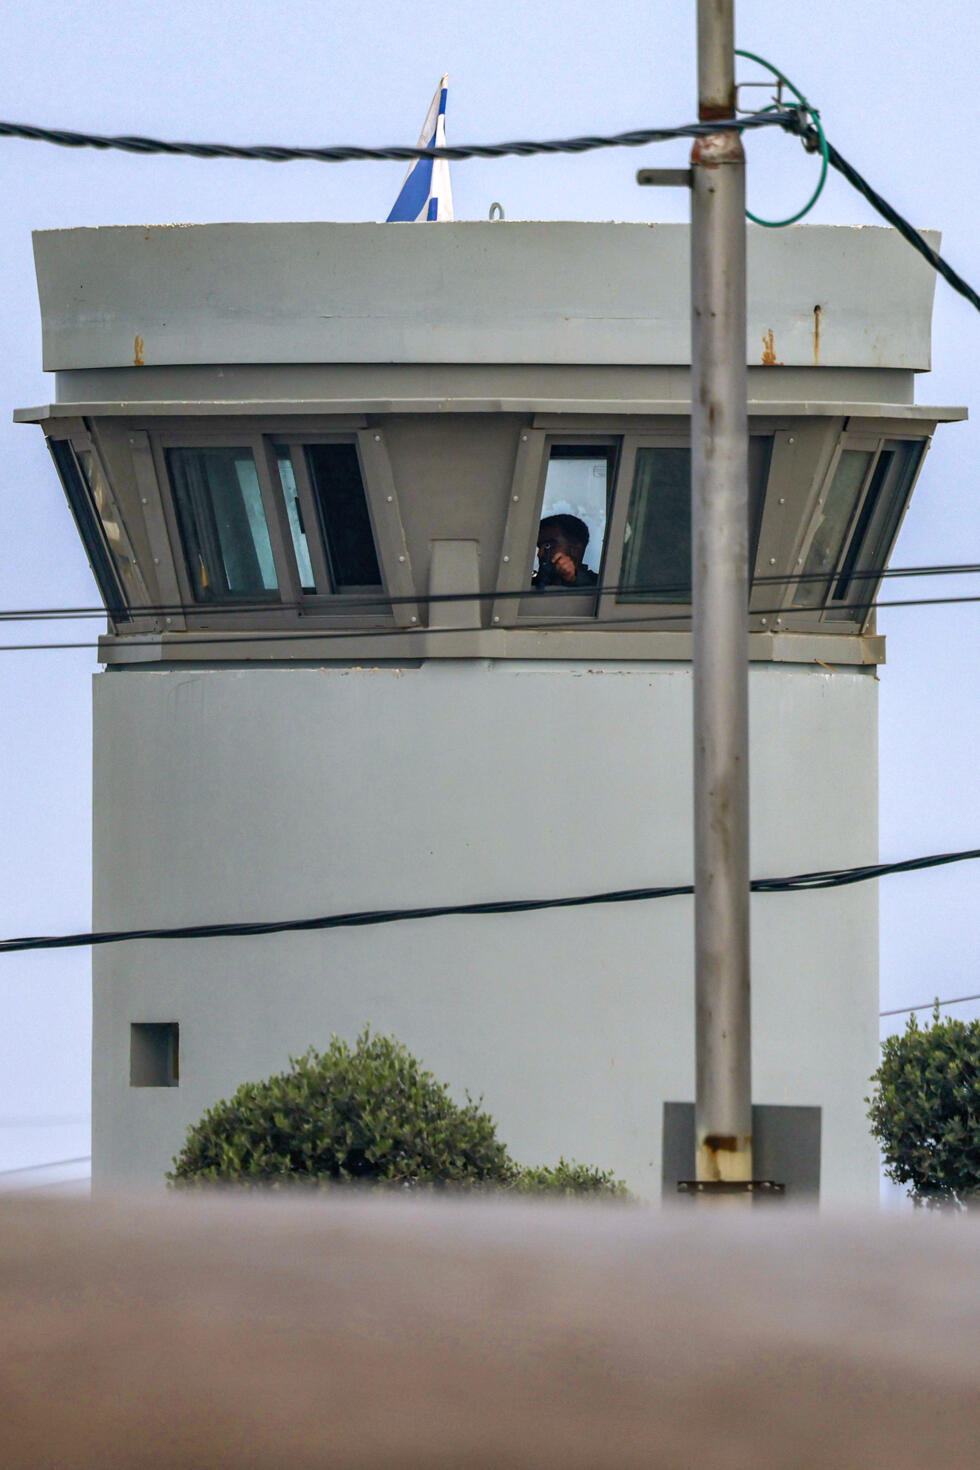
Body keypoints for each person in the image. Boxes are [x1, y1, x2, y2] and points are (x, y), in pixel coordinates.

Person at [532, 514, 599, 589]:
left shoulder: (600, 585)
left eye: (548, 545)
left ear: (574, 550)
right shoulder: (529, 585)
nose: (540, 554)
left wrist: (574, 577)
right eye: (539, 547)